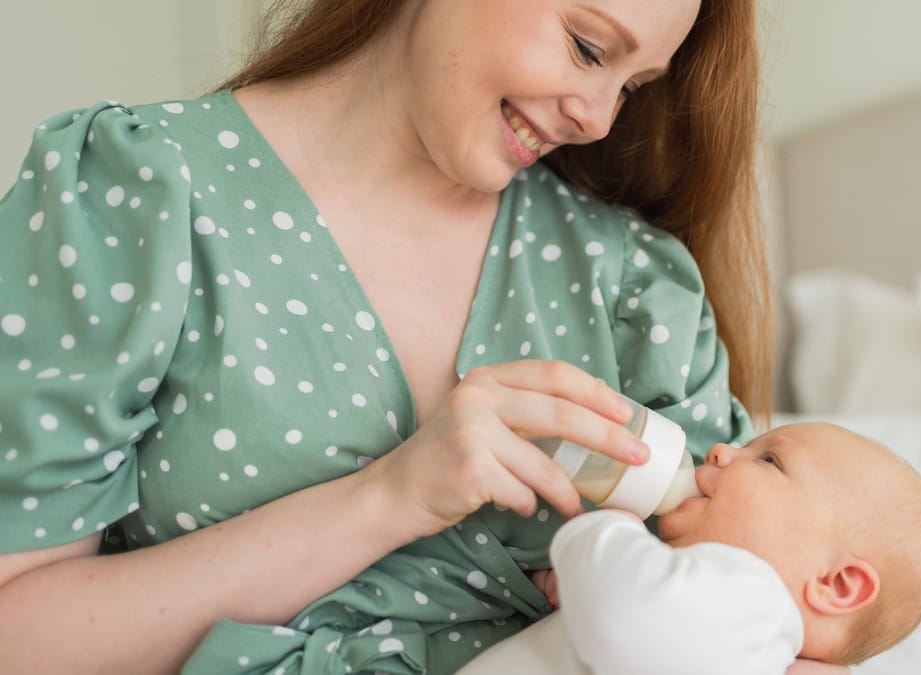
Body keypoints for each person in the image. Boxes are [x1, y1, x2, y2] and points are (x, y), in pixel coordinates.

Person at [0, 1, 777, 673]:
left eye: (633, 87)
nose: (599, 119)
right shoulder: (130, 198)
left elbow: (778, 615)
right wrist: (388, 497)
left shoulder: (631, 284)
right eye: (587, 47)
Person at [457, 422, 921, 674]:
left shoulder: (754, 598)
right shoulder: (739, 632)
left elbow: (624, 615)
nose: (721, 450)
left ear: (836, 583)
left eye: (769, 461)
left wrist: (605, 530)